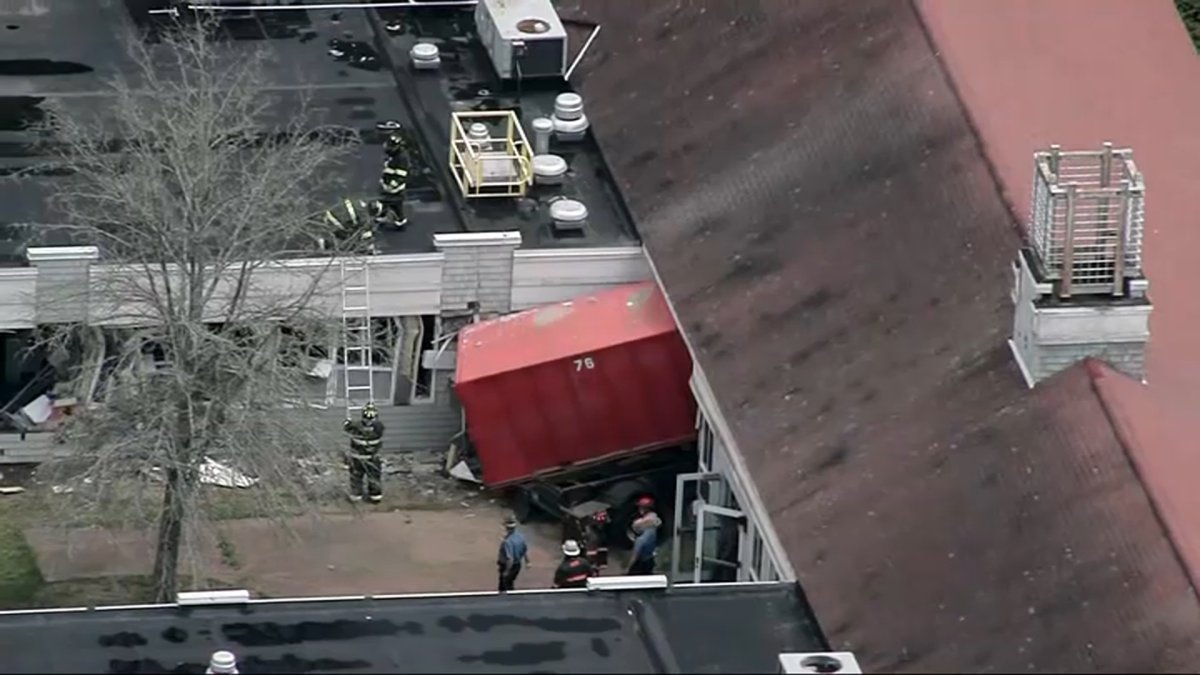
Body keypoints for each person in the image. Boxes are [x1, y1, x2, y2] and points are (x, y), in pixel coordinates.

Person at [343, 403, 385, 503]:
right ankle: (375, 497)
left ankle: (356, 497)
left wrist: (347, 423)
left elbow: (347, 428)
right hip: (373, 459)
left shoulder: (355, 427)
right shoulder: (379, 428)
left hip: (358, 459)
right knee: (374, 478)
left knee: (356, 477)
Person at [626, 496, 661, 575]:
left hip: (642, 561)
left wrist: (630, 566)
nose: (639, 510)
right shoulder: (653, 526)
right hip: (650, 558)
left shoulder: (644, 530)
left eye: (640, 507)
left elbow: (639, 548)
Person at [497, 515, 529, 592]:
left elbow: (510, 559)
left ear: (506, 528)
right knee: (510, 582)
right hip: (517, 565)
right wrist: (528, 562)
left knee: (505, 586)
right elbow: (524, 550)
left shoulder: (508, 542)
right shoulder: (520, 537)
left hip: (508, 566)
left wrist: (506, 571)